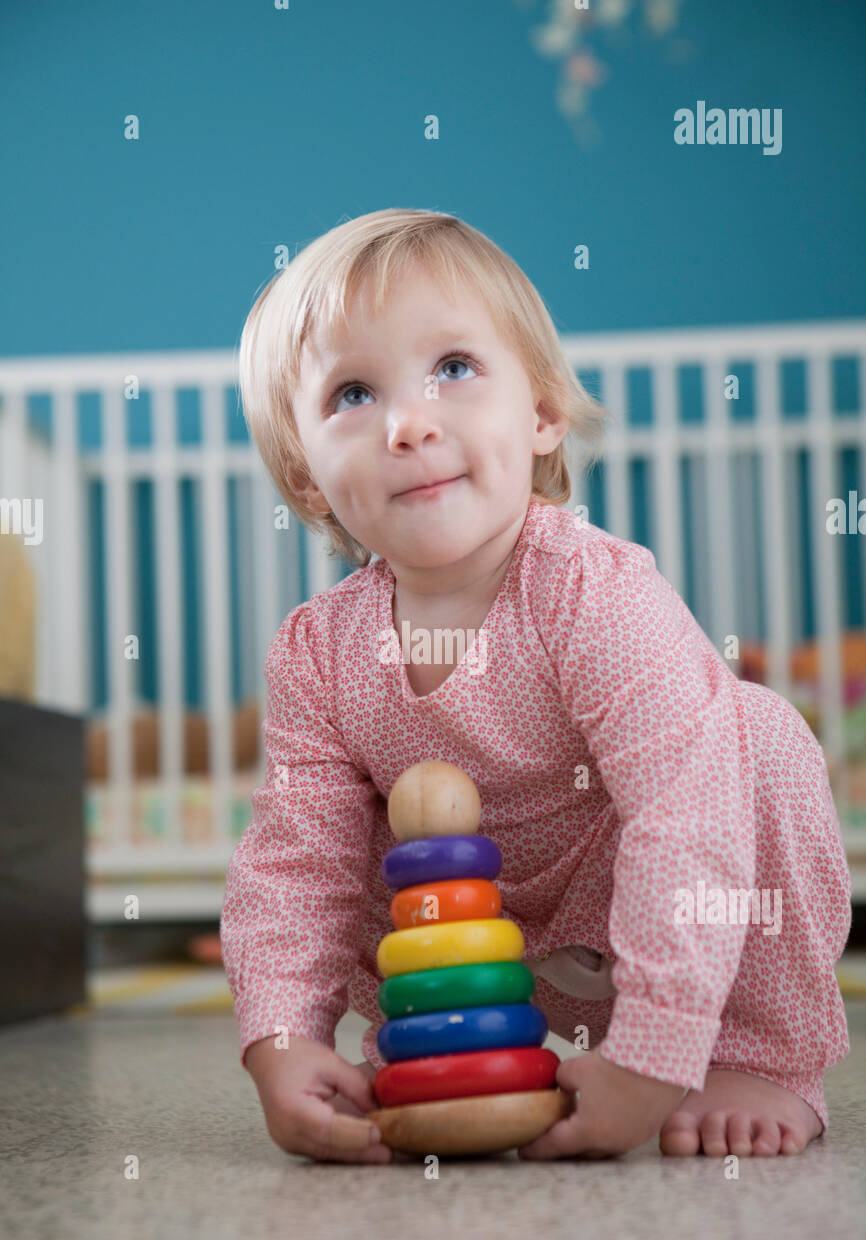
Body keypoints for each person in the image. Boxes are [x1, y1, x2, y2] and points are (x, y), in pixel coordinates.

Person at [220, 208, 851, 1163]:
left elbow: (686, 815)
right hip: (468, 932)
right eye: (354, 392)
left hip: (640, 902)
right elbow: (295, 870)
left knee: (752, 738)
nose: (410, 422)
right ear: (309, 480)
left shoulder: (590, 590)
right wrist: (280, 1041)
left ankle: (756, 1057)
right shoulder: (318, 651)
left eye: (455, 370)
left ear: (544, 412)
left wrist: (654, 1053)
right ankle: (435, 1050)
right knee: (316, 843)